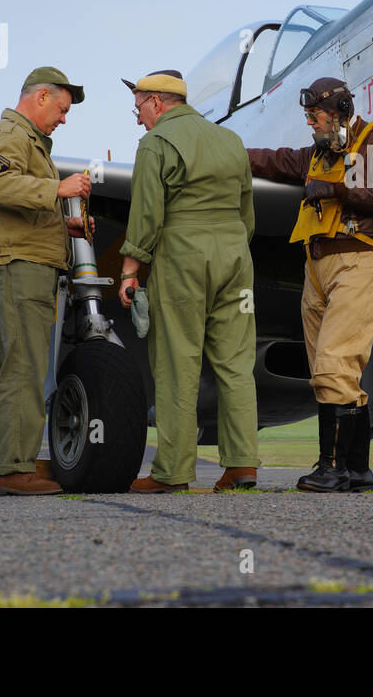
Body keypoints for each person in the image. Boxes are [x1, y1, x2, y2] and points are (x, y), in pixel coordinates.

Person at [247, 77, 373, 491]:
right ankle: (356, 471)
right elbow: (274, 160)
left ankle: (330, 468)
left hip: (358, 260)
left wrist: (335, 189)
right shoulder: (313, 156)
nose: (310, 123)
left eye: (314, 115)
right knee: (330, 369)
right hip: (315, 266)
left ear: (339, 111)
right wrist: (229, 153)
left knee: (334, 364)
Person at [116, 70, 260, 493]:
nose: (138, 118)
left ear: (158, 103)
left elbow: (146, 216)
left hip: (182, 257)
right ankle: (242, 466)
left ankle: (173, 473)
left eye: (139, 108)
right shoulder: (231, 141)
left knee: (178, 366)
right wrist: (230, 246)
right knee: (236, 364)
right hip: (235, 256)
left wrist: (129, 271)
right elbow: (246, 213)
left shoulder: (156, 143)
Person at [0, 67, 92, 496]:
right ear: (41, 97)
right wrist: (59, 190)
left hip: (9, 259)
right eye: (61, 108)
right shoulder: (14, 135)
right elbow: (0, 185)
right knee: (24, 367)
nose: (63, 118)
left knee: (3, 366)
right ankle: (15, 470)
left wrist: (66, 225)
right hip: (18, 265)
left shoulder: (23, 140)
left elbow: (16, 202)